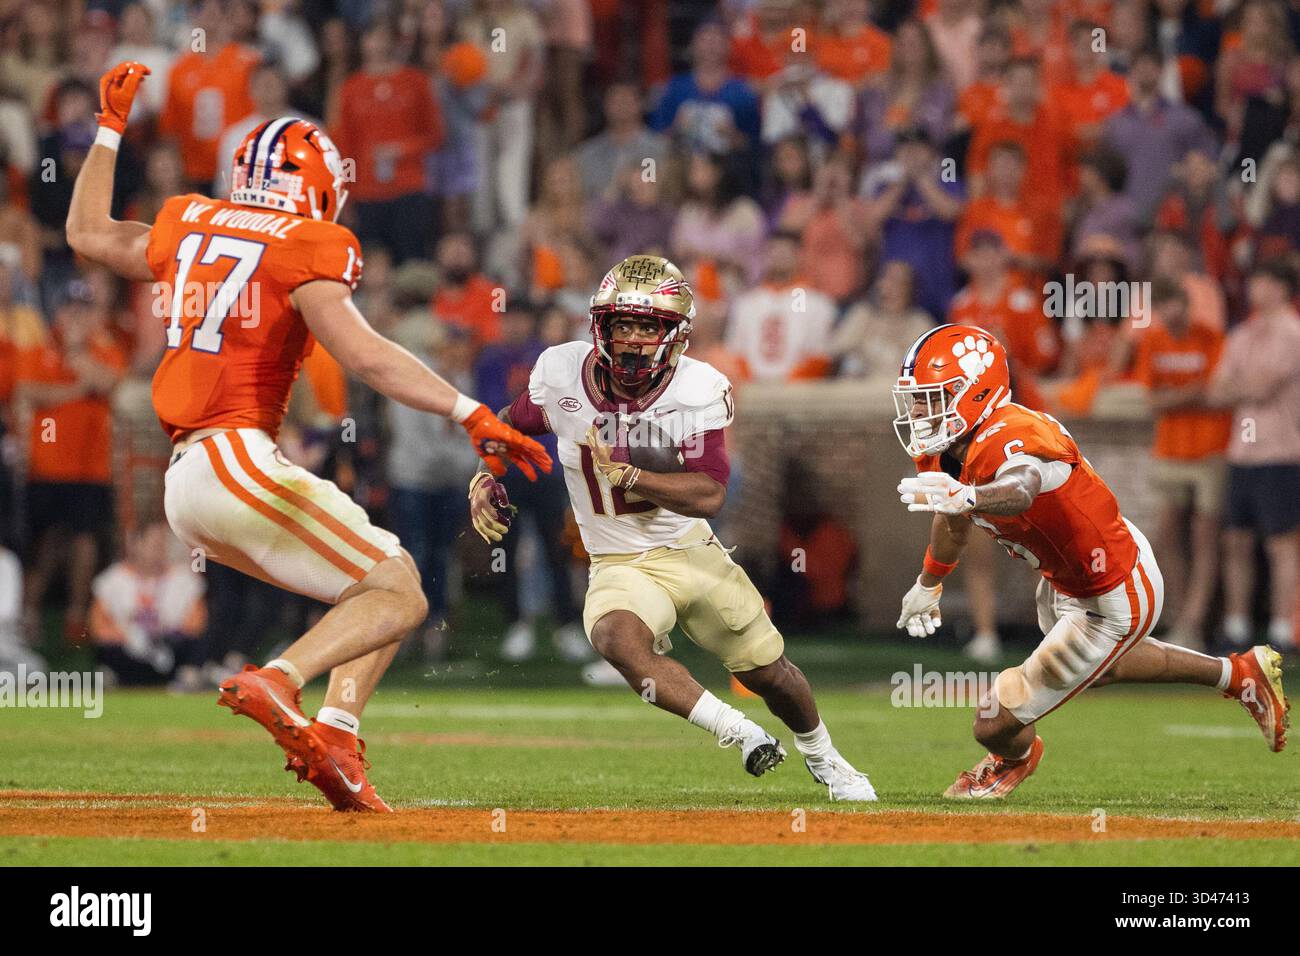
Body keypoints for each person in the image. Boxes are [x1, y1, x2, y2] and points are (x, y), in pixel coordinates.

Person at [66, 62, 550, 812]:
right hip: (236, 457)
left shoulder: (190, 218)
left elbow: (87, 233)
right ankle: (281, 678)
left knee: (384, 579)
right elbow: (365, 353)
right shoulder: (309, 242)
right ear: (316, 185)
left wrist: (107, 131)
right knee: (400, 593)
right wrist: (471, 413)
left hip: (190, 482)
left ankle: (338, 736)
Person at [468, 254, 876, 800]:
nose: (633, 338)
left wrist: (633, 475)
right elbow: (505, 428)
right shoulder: (562, 371)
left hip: (689, 550)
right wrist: (484, 475)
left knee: (769, 673)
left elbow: (709, 492)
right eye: (622, 324)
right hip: (618, 561)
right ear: (600, 326)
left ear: (675, 334)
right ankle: (739, 731)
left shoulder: (696, 387)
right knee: (616, 637)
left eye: (647, 325)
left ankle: (825, 756)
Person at [891, 324, 1288, 799]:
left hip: (1111, 588)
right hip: (1067, 578)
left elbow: (1019, 490)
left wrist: (969, 495)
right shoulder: (947, 448)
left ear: (975, 393)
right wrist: (929, 582)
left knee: (993, 720)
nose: (918, 411)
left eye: (932, 397)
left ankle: (1011, 758)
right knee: (1104, 669)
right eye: (915, 398)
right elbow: (953, 519)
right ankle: (1241, 674)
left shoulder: (1014, 433)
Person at [1201, 260, 1300, 651]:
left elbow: (1260, 388)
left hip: (1282, 451)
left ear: (1280, 286)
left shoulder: (1292, 333)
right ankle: (1237, 624)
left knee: (1281, 543)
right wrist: (1240, 386)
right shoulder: (1241, 334)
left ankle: (1281, 628)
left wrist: (1236, 386)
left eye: (1261, 278)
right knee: (1236, 540)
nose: (1253, 286)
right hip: (1243, 450)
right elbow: (1215, 391)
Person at [1132, 279, 1230, 651]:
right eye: (1162, 305)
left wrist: (1175, 396)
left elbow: (1218, 392)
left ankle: (1194, 622)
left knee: (1206, 537)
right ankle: (1180, 618)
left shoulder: (1211, 338)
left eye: (1174, 303)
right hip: (1170, 448)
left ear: (1187, 304)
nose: (1170, 312)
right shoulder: (1154, 341)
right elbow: (1151, 401)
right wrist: (1191, 394)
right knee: (1168, 534)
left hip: (1210, 448)